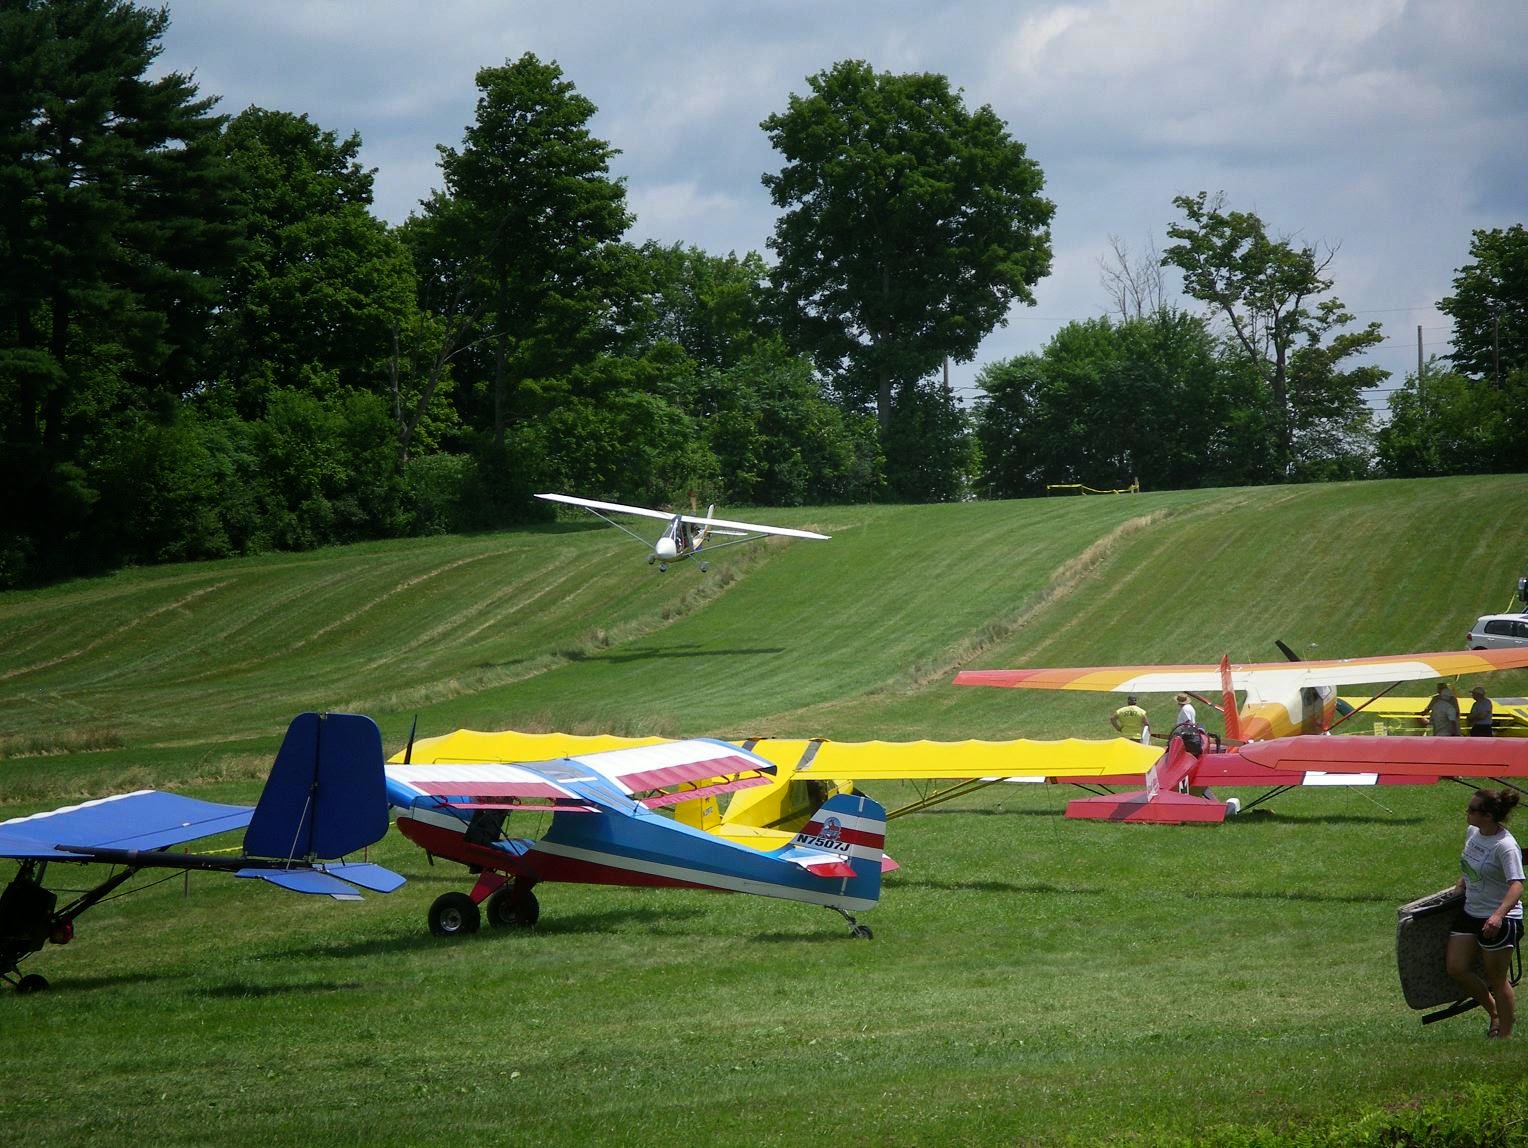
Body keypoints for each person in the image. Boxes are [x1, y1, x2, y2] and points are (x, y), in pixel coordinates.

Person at [1446, 789, 1524, 1038]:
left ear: (1488, 816)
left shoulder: (1505, 846)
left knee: (1497, 979)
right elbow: (1470, 867)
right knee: (1456, 967)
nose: (1466, 813)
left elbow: (1517, 885)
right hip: (1471, 911)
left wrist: (1498, 915)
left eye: (1471, 810)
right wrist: (1461, 886)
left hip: (1499, 918)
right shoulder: (1474, 833)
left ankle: (1505, 1036)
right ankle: (1494, 1013)